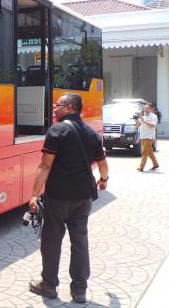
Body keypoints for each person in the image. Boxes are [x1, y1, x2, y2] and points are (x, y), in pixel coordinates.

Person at [28, 93, 109, 304]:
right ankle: (80, 290)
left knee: (52, 240)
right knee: (80, 240)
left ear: (70, 108)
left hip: (59, 197)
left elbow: (45, 165)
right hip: (84, 197)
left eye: (58, 106)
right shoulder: (92, 134)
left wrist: (34, 195)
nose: (54, 109)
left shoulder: (57, 130)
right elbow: (102, 164)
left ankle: (49, 285)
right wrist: (104, 180)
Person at [136, 102, 159, 171]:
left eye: (148, 108)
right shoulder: (143, 116)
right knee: (149, 152)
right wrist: (137, 120)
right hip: (143, 136)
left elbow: (152, 125)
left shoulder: (154, 116)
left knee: (144, 151)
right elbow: (137, 126)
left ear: (151, 109)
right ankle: (155, 164)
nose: (146, 109)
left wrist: (144, 120)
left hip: (150, 136)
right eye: (145, 108)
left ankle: (141, 167)